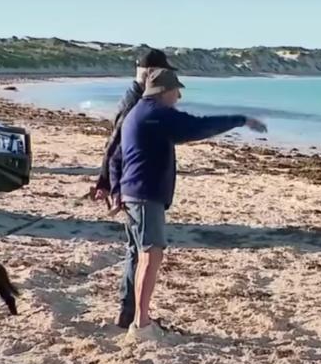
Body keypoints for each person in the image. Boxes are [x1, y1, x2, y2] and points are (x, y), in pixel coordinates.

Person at [110, 69, 267, 341]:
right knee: (151, 255)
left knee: (139, 254)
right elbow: (198, 127)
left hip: (134, 193)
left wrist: (115, 189)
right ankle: (142, 324)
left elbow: (115, 156)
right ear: (163, 91)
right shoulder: (156, 114)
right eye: (176, 90)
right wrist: (240, 120)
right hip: (145, 195)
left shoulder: (136, 113)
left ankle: (133, 316)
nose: (179, 95)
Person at [89, 48, 176, 329]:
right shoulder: (136, 102)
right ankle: (133, 314)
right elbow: (114, 147)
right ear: (151, 73)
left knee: (136, 250)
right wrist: (108, 183)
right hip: (136, 189)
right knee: (143, 251)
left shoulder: (138, 99)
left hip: (132, 186)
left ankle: (129, 312)